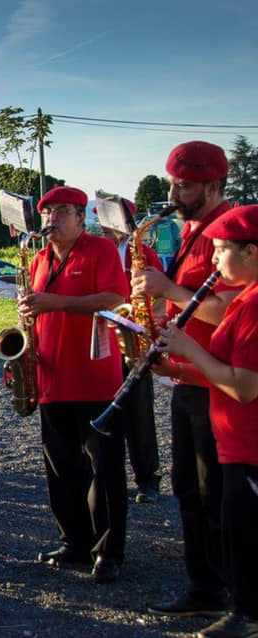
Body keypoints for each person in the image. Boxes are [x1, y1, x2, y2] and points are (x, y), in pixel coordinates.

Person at [136, 141, 240, 616]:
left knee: (217, 496)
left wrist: (169, 289)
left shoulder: (231, 234)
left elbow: (237, 314)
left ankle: (233, 596)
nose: (173, 192)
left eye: (184, 185)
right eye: (172, 182)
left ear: (213, 185)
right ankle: (204, 588)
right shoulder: (192, 229)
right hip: (187, 377)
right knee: (189, 489)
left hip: (220, 383)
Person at [155, 204, 258, 638]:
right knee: (234, 524)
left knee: (246, 533)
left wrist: (188, 348)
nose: (213, 262)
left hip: (250, 444)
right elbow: (225, 371)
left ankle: (248, 615)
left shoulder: (252, 306)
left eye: (220, 251)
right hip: (235, 439)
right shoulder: (245, 301)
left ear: (251, 251)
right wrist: (177, 369)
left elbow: (244, 387)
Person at [20, 186, 130, 584]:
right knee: (61, 467)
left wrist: (56, 303)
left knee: (105, 470)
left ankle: (108, 552)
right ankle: (75, 542)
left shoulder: (99, 250)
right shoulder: (39, 259)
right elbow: (36, 313)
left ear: (81, 217)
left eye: (62, 212)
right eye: (47, 212)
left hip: (96, 378)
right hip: (52, 377)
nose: (51, 219)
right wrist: (24, 357)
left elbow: (116, 298)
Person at [98, 198, 164, 504]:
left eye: (108, 218)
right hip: (103, 340)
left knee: (138, 412)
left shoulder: (142, 251)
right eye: (100, 217)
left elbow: (159, 296)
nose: (103, 225)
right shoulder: (97, 249)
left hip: (133, 339)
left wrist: (152, 332)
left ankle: (147, 479)